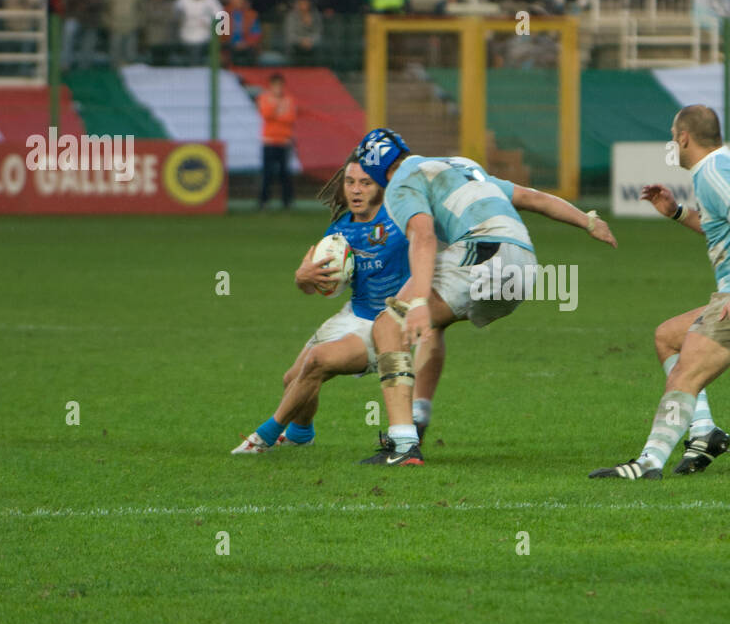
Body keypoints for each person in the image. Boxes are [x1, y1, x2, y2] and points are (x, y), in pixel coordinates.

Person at [350, 127, 618, 465]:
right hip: (524, 268)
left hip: (483, 256)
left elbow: (423, 236)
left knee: (388, 327)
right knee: (430, 325)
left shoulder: (402, 182)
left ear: (375, 169)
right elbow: (534, 198)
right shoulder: (459, 164)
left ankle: (402, 446)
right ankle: (417, 415)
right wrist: (590, 223)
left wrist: (417, 302)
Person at [590, 105, 730, 479]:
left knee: (685, 375)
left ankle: (648, 462)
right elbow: (725, 227)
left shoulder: (716, 171)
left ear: (684, 137)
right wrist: (677, 212)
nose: (672, 142)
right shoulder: (720, 168)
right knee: (668, 337)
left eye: (673, 135)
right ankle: (704, 432)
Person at [231, 157, 447, 454]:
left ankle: (263, 437)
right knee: (292, 379)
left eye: (365, 183)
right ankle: (301, 433)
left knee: (317, 361)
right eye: (350, 182)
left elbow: (427, 239)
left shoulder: (401, 218)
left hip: (383, 326)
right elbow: (319, 287)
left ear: (382, 186)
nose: (356, 190)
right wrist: (302, 277)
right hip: (350, 314)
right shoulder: (340, 229)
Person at [257, 73, 296, 211]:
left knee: (284, 174)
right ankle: (263, 202)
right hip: (269, 141)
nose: (278, 88)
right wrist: (278, 109)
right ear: (271, 86)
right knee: (267, 173)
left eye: (280, 85)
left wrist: (276, 113)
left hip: (284, 141)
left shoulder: (289, 99)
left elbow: (290, 118)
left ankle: (287, 202)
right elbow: (266, 115)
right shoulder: (265, 98)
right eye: (275, 85)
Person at [174, 0, 223, 65]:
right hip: (186, 38)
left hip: (205, 38)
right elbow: (176, 15)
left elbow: (220, 14)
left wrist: (207, 21)